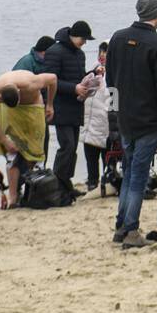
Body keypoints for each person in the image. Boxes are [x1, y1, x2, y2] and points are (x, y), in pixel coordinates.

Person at [106, 0, 157, 247]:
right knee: (138, 175)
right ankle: (131, 230)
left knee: (129, 168)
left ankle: (121, 225)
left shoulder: (117, 38)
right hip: (149, 121)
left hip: (124, 118)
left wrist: (114, 113)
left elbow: (110, 80)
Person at [0, 69, 57, 206]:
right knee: (12, 155)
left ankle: (33, 192)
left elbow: (53, 78)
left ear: (18, 92)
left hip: (33, 109)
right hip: (9, 114)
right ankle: (13, 196)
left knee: (34, 154)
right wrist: (4, 140)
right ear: (0, 98)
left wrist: (50, 105)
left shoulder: (31, 83)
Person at [41, 21, 94, 190]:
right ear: (74, 36)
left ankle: (66, 183)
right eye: (83, 39)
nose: (84, 43)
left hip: (76, 106)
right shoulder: (54, 52)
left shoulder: (80, 54)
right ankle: (57, 183)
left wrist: (91, 78)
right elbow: (50, 80)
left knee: (72, 149)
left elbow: (78, 78)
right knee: (67, 145)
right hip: (60, 106)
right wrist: (74, 88)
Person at [81, 42, 111, 191]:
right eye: (101, 53)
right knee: (90, 152)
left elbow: (116, 100)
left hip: (105, 121)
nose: (102, 56)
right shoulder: (91, 71)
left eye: (105, 53)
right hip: (89, 120)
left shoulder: (116, 73)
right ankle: (92, 182)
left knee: (107, 153)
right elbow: (81, 94)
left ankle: (107, 180)